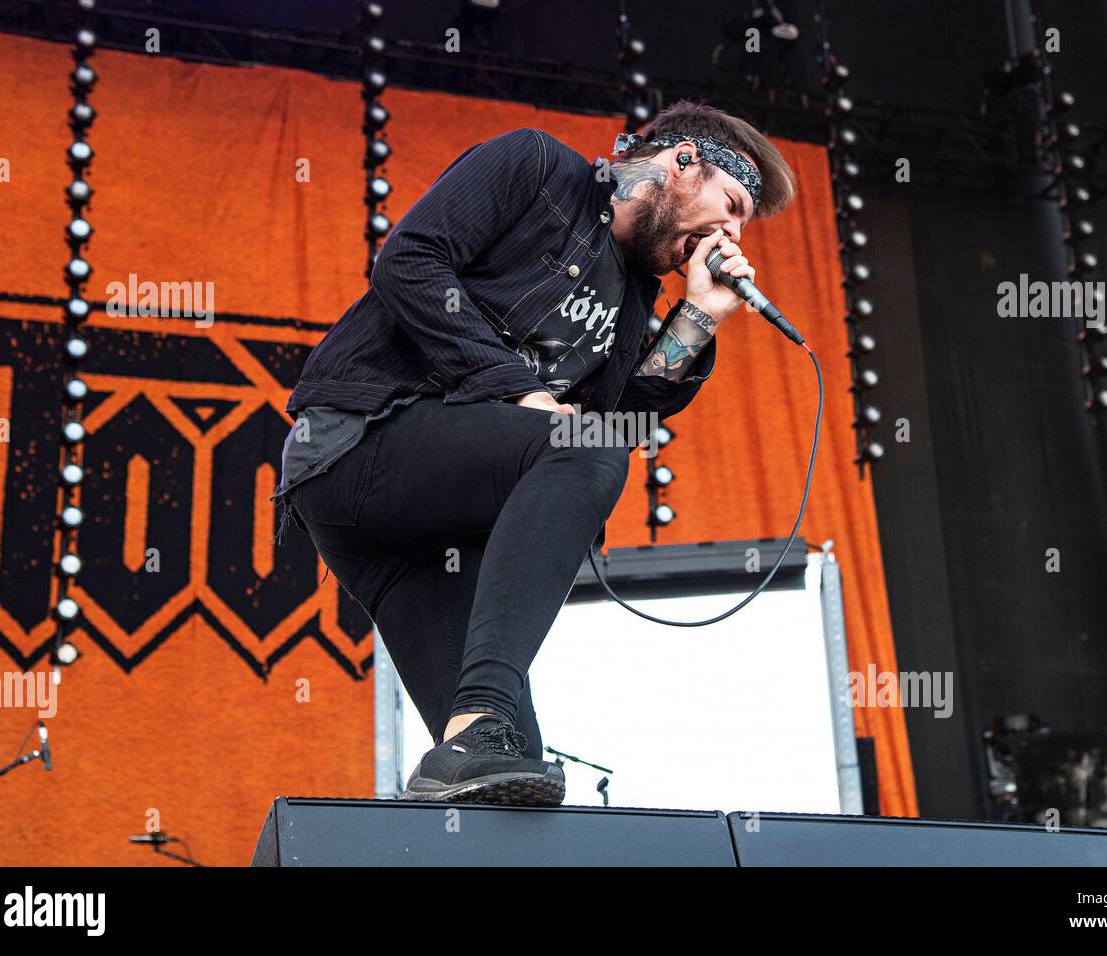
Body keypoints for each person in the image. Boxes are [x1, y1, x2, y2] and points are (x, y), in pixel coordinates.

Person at [272, 100, 797, 805]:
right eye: (732, 205)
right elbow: (411, 262)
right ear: (683, 164)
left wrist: (698, 316)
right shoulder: (538, 166)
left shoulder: (635, 298)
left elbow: (617, 428)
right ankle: (481, 715)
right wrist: (519, 391)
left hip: (429, 541)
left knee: (500, 776)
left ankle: (471, 743)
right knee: (581, 451)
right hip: (359, 442)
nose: (734, 233)